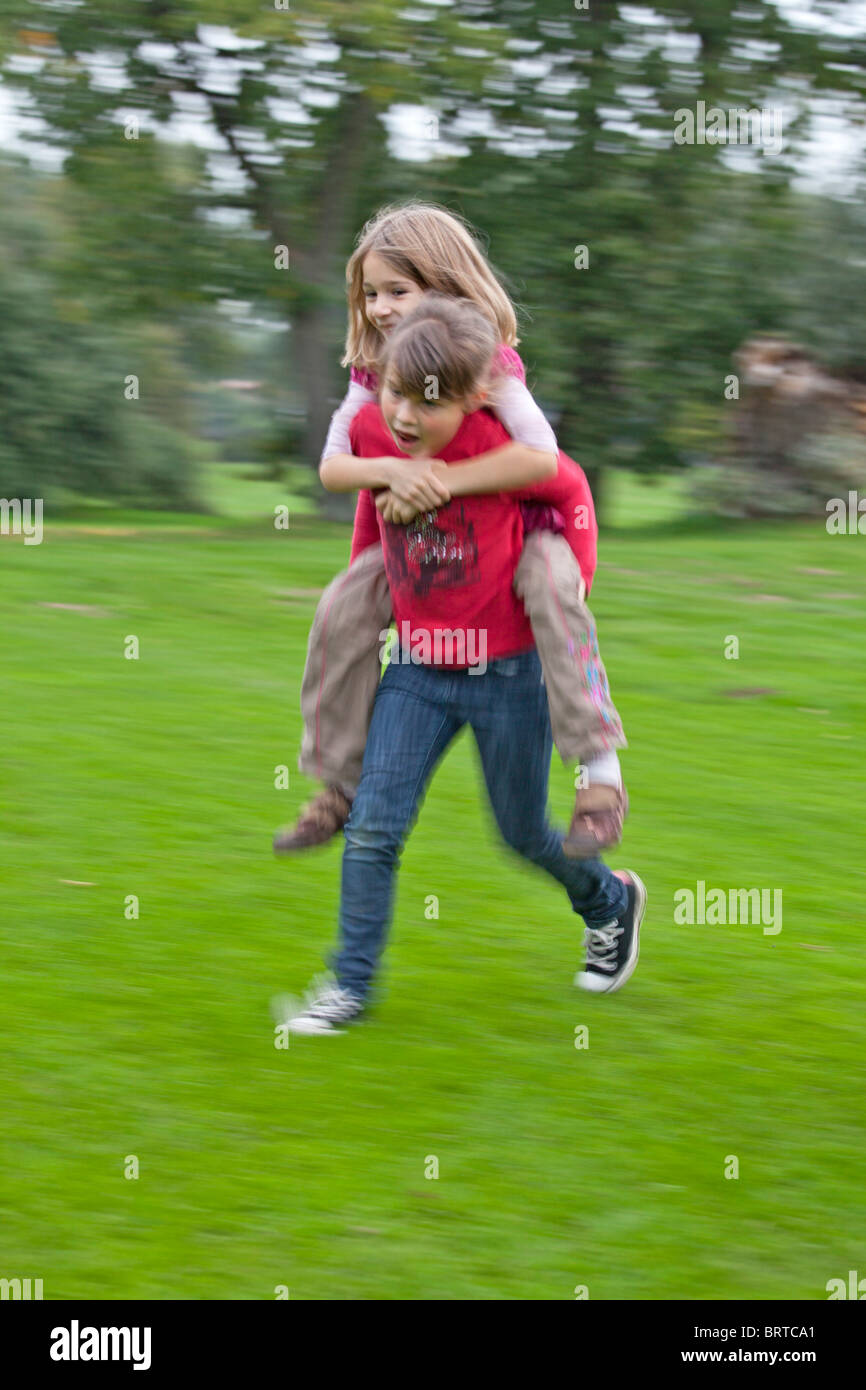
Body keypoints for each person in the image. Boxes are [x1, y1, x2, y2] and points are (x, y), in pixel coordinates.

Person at [279, 296, 646, 1035]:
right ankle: (349, 985)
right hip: (417, 672)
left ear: (474, 396)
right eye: (396, 395)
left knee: (522, 834)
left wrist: (570, 581)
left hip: (508, 676)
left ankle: (610, 903)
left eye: (431, 403)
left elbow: (569, 490)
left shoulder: (500, 446)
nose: (409, 416)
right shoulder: (374, 435)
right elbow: (360, 515)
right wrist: (368, 602)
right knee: (375, 829)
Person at [274, 202, 627, 862]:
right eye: (370, 293)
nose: (379, 308)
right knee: (341, 610)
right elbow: (333, 468)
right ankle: (339, 783)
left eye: (397, 291)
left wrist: (436, 478)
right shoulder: (370, 371)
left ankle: (601, 776)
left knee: (551, 591)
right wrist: (389, 472)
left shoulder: (491, 365)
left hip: (525, 531)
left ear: (443, 285)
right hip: (420, 541)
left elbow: (543, 457)